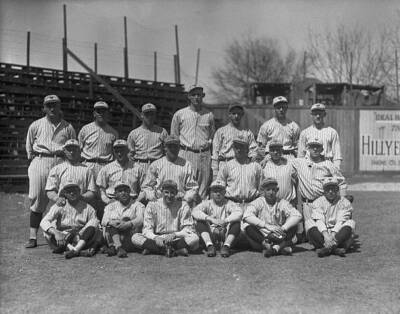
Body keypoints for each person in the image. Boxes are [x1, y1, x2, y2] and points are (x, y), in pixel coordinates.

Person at [25, 94, 76, 248]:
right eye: (49, 105)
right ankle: (33, 237)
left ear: (60, 107)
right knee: (37, 198)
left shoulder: (68, 127)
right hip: (41, 160)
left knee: (63, 197)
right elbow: (29, 147)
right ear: (44, 108)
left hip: (61, 161)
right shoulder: (36, 125)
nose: (52, 108)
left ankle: (64, 233)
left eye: (55, 105)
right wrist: (35, 160)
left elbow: (73, 146)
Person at [292, 138, 347, 238]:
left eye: (318, 147)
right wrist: (268, 158)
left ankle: (331, 243)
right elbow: (283, 163)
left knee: (324, 232)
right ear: (308, 148)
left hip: (323, 203)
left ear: (322, 149)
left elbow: (341, 182)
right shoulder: (299, 162)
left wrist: (343, 201)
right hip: (307, 204)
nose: (315, 149)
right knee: (311, 235)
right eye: (313, 146)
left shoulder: (328, 164)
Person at [131, 180, 199, 257]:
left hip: (175, 239)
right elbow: (147, 229)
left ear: (176, 193)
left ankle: (155, 249)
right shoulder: (152, 204)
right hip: (157, 238)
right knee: (135, 237)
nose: (169, 195)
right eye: (166, 192)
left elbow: (188, 229)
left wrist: (174, 235)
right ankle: (173, 250)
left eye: (172, 192)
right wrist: (156, 238)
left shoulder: (183, 205)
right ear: (162, 192)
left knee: (194, 238)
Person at [171, 85, 215, 199]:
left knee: (203, 188)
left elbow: (212, 135)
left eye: (199, 95)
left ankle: (199, 214)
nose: (197, 97)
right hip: (185, 152)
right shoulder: (180, 114)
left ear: (203, 96)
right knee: (183, 185)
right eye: (193, 95)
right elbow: (174, 136)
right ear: (189, 97)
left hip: (203, 154)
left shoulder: (209, 115)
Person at [40, 181, 101, 259]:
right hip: (64, 236)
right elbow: (44, 221)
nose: (72, 193)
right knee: (47, 231)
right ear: (65, 194)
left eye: (74, 191)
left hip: (80, 236)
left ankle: (75, 250)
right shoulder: (59, 205)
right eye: (69, 192)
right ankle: (74, 250)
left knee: (95, 222)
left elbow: (94, 224)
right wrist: (56, 233)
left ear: (79, 192)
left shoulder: (87, 207)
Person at [243, 177, 302, 257]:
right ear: (263, 191)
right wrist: (266, 226)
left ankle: (275, 248)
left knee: (294, 225)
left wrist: (283, 228)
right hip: (264, 234)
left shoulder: (282, 202)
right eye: (268, 190)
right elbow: (247, 215)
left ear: (277, 190)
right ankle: (272, 246)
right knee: (247, 225)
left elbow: (297, 215)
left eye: (273, 190)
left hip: (279, 234)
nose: (271, 192)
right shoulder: (258, 202)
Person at [140, 135, 198, 203]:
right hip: (160, 201)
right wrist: (154, 198)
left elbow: (193, 188)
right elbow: (146, 187)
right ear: (165, 148)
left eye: (175, 146)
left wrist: (185, 199)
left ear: (179, 148)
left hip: (180, 202)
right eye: (170, 146)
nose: (173, 149)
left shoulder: (187, 165)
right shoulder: (156, 165)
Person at [192, 180, 243, 258]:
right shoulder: (206, 203)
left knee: (236, 223)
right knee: (199, 221)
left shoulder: (229, 203)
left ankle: (226, 246)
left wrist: (225, 220)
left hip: (225, 233)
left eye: (221, 191)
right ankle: (209, 246)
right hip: (211, 234)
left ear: (225, 192)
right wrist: (210, 219)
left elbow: (239, 213)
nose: (218, 194)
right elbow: (195, 212)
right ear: (211, 193)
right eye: (215, 191)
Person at [307, 177, 356, 257]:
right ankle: (335, 249)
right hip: (323, 232)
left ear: (337, 189)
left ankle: (327, 248)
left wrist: (332, 235)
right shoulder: (317, 202)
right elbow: (319, 220)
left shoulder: (344, 202)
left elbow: (341, 221)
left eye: (333, 188)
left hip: (338, 232)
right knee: (309, 222)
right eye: (327, 189)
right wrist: (326, 235)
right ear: (324, 190)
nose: (330, 191)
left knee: (351, 222)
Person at [216, 135, 263, 211]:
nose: (238, 150)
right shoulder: (226, 166)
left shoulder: (256, 166)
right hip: (231, 204)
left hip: (252, 204)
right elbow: (219, 188)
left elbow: (262, 190)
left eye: (241, 147)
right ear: (233, 148)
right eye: (236, 147)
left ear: (247, 149)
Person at [211, 103, 258, 180]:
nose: (236, 116)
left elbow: (254, 150)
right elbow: (215, 153)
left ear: (242, 115)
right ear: (229, 115)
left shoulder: (247, 132)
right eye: (234, 113)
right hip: (225, 163)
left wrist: (250, 163)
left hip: (242, 165)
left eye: (239, 114)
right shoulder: (221, 131)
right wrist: (215, 173)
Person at [45, 139, 97, 208]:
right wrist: (57, 199)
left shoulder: (87, 170)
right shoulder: (57, 169)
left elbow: (92, 191)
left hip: (81, 206)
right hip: (62, 205)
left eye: (75, 149)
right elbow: (50, 190)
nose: (72, 152)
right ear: (64, 151)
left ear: (79, 151)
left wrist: (82, 197)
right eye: (69, 150)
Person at [101, 181, 145, 258]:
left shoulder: (138, 205)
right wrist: (113, 223)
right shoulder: (110, 206)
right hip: (113, 234)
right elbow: (104, 220)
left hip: (129, 237)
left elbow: (140, 219)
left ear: (129, 192)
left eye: (125, 190)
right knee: (111, 223)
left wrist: (128, 224)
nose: (123, 193)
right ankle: (119, 248)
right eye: (120, 191)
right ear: (116, 194)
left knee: (126, 219)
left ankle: (114, 247)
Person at [97, 139, 146, 205]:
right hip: (112, 201)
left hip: (132, 202)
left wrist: (136, 202)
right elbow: (101, 189)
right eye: (116, 151)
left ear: (127, 151)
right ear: (113, 152)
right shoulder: (106, 168)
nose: (119, 153)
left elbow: (144, 188)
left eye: (122, 151)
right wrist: (108, 201)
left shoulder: (138, 168)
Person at [78, 101, 118, 178]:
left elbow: (115, 154)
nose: (101, 113)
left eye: (103, 111)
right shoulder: (85, 129)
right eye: (98, 111)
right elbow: (79, 150)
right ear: (94, 114)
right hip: (87, 165)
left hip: (105, 166)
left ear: (107, 114)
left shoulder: (113, 133)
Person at [298, 103, 342, 169]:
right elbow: (301, 155)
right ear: (311, 115)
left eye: (320, 113)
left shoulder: (332, 132)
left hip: (327, 165)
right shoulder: (305, 133)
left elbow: (337, 155)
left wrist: (336, 168)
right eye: (315, 114)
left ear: (324, 114)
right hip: (309, 166)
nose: (318, 116)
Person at [127, 103, 168, 173]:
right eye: (147, 114)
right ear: (142, 115)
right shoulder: (134, 133)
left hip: (156, 165)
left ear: (155, 116)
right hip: (139, 164)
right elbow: (129, 154)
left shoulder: (162, 131)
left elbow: (167, 151)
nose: (149, 117)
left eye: (152, 114)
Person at [262, 139, 297, 205]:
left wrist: (296, 198)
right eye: (273, 150)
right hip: (269, 205)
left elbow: (297, 181)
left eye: (278, 150)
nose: (275, 152)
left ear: (282, 151)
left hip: (287, 203)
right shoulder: (264, 166)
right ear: (269, 152)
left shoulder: (289, 164)